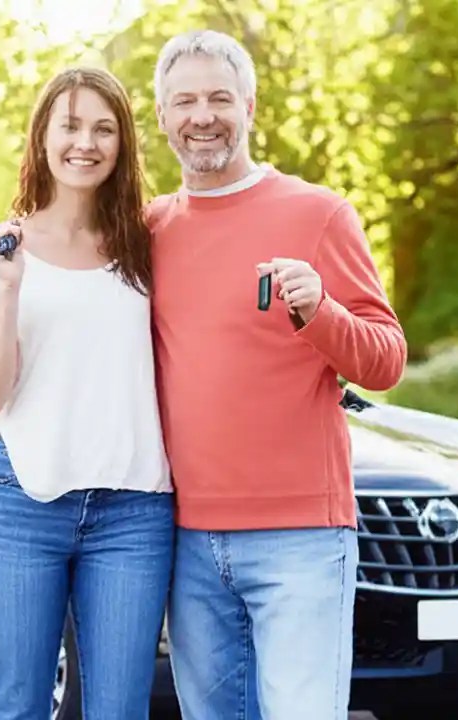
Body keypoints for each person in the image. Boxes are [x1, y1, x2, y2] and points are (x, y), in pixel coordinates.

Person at [144, 29, 408, 719]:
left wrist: (320, 309)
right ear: (164, 118)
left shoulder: (318, 214)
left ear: (251, 107)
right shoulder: (147, 231)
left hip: (302, 538)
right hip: (186, 538)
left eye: (220, 98)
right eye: (185, 101)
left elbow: (386, 360)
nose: (203, 115)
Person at [0, 65, 174, 719]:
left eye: (104, 129)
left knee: (119, 709)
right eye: (71, 125)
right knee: (19, 703)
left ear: (123, 144)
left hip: (133, 512)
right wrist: (9, 288)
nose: (86, 142)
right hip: (24, 502)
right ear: (43, 137)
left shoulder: (150, 245)